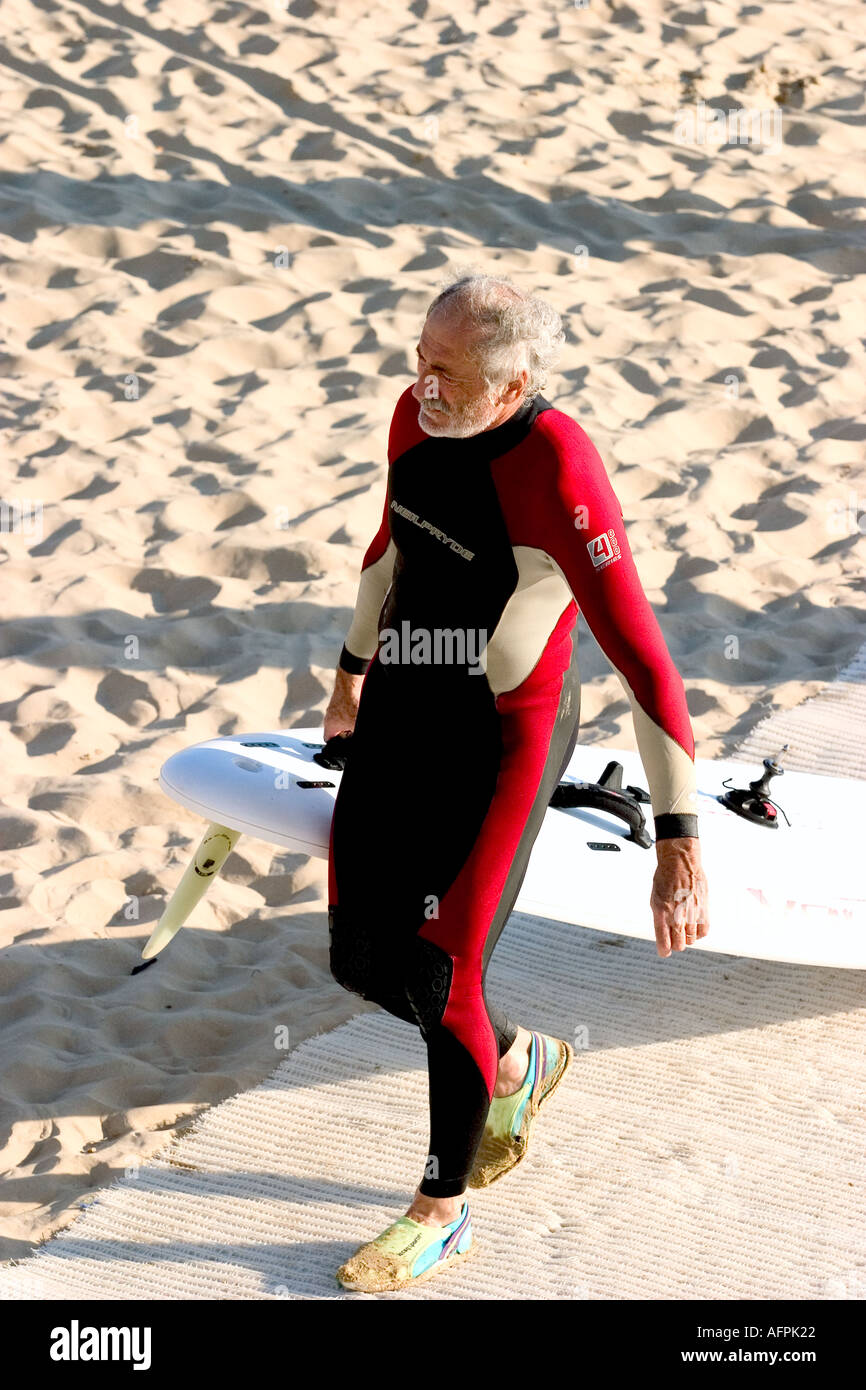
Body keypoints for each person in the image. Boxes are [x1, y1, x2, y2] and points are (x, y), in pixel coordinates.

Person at [322, 272, 709, 1293]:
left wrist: (677, 838)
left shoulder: (556, 467)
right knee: (363, 957)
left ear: (513, 381)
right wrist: (350, 674)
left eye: (446, 373)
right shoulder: (415, 413)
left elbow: (642, 658)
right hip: (405, 704)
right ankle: (516, 1062)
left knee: (442, 971)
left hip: (504, 733)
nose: (421, 387)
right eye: (418, 359)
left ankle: (439, 1213)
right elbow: (386, 546)